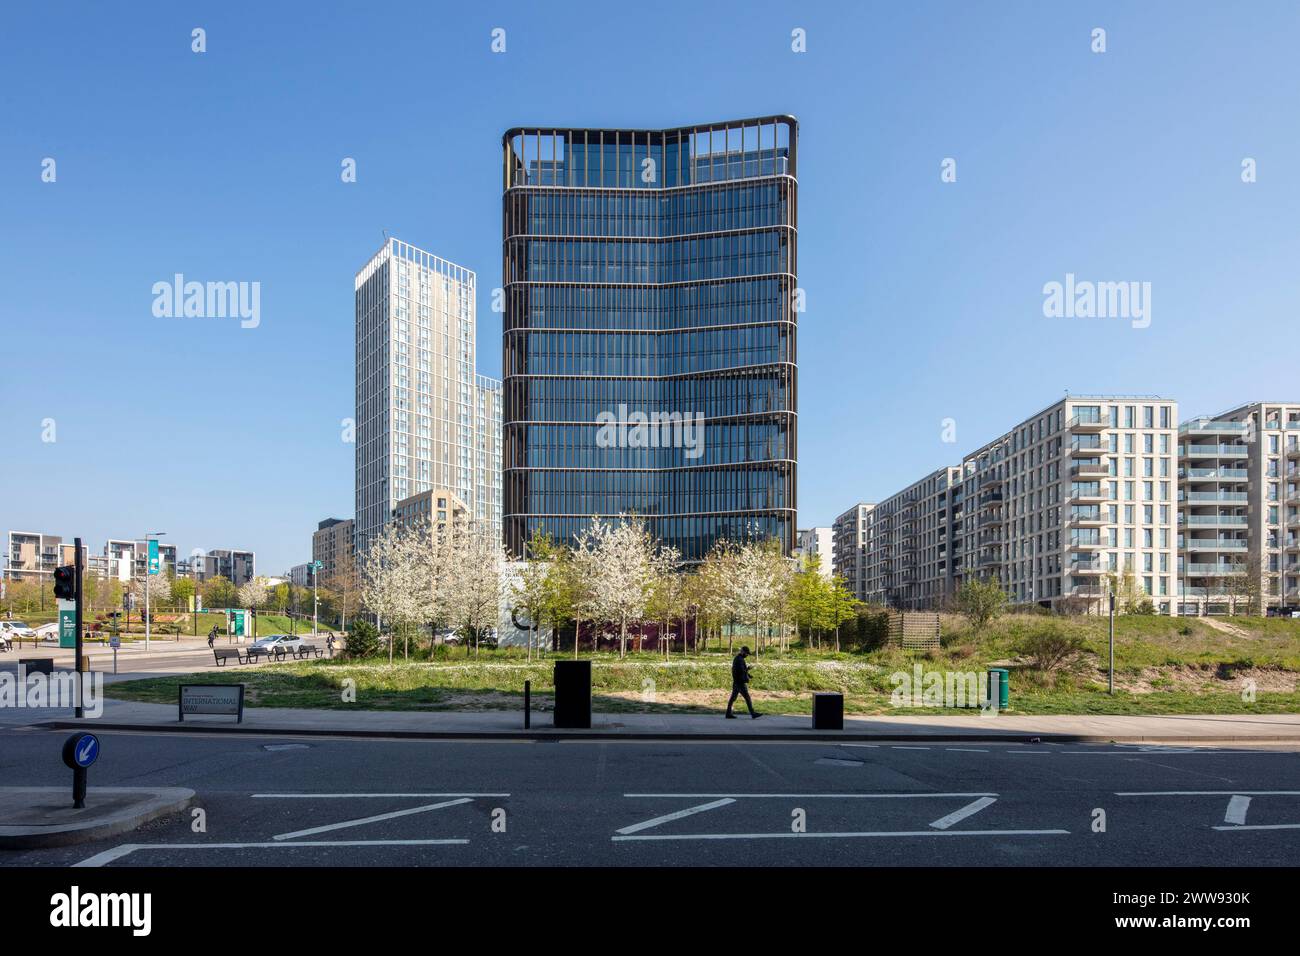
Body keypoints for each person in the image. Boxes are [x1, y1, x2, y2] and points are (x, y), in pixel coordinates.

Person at [726, 646, 761, 719]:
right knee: (747, 697)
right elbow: (741, 671)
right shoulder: (739, 660)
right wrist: (748, 669)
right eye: (746, 653)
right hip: (740, 682)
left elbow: (741, 670)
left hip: (736, 681)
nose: (747, 655)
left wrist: (748, 675)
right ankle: (753, 713)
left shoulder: (738, 659)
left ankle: (728, 713)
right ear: (743, 652)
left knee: (733, 698)